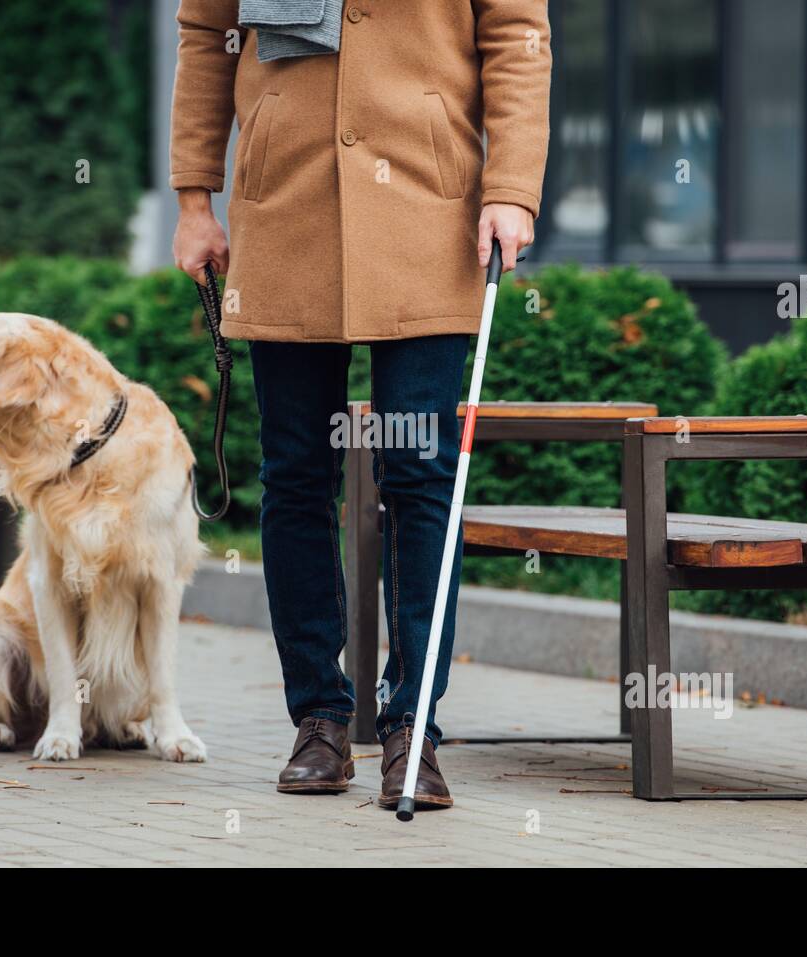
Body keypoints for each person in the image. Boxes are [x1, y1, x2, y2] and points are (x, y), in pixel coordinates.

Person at [170, 0, 551, 811]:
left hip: (428, 206)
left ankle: (414, 723)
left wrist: (512, 186)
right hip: (284, 209)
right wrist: (194, 199)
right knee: (297, 472)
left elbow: (516, 33)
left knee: (419, 472)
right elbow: (207, 31)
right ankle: (319, 716)